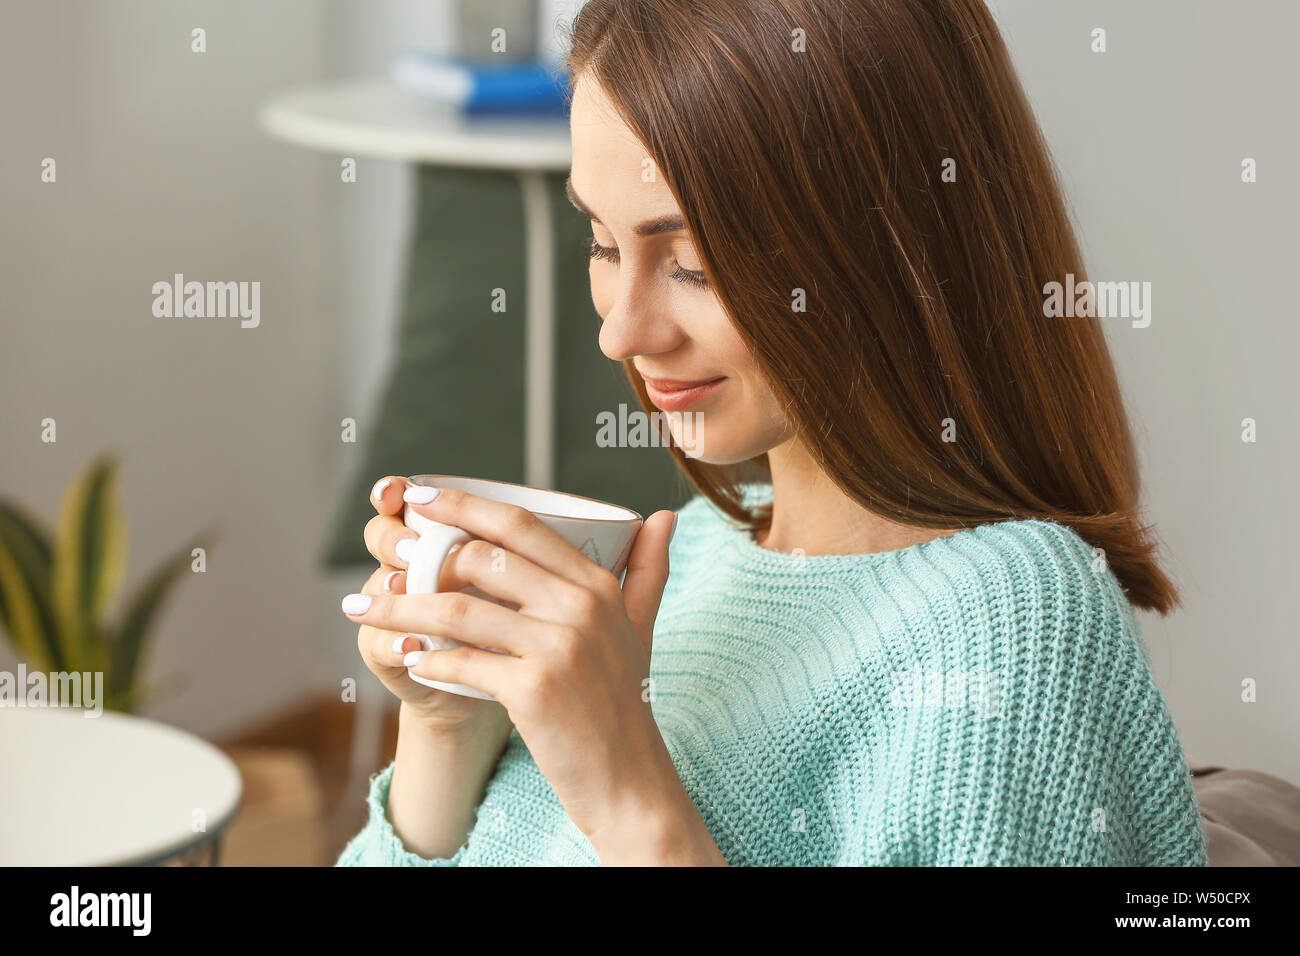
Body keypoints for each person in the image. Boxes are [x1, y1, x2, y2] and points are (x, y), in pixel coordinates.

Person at [334, 0, 1208, 866]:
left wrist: (629, 798)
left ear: (893, 243)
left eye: (692, 264)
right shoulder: (685, 561)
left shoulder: (1013, 631)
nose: (620, 334)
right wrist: (450, 726)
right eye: (601, 243)